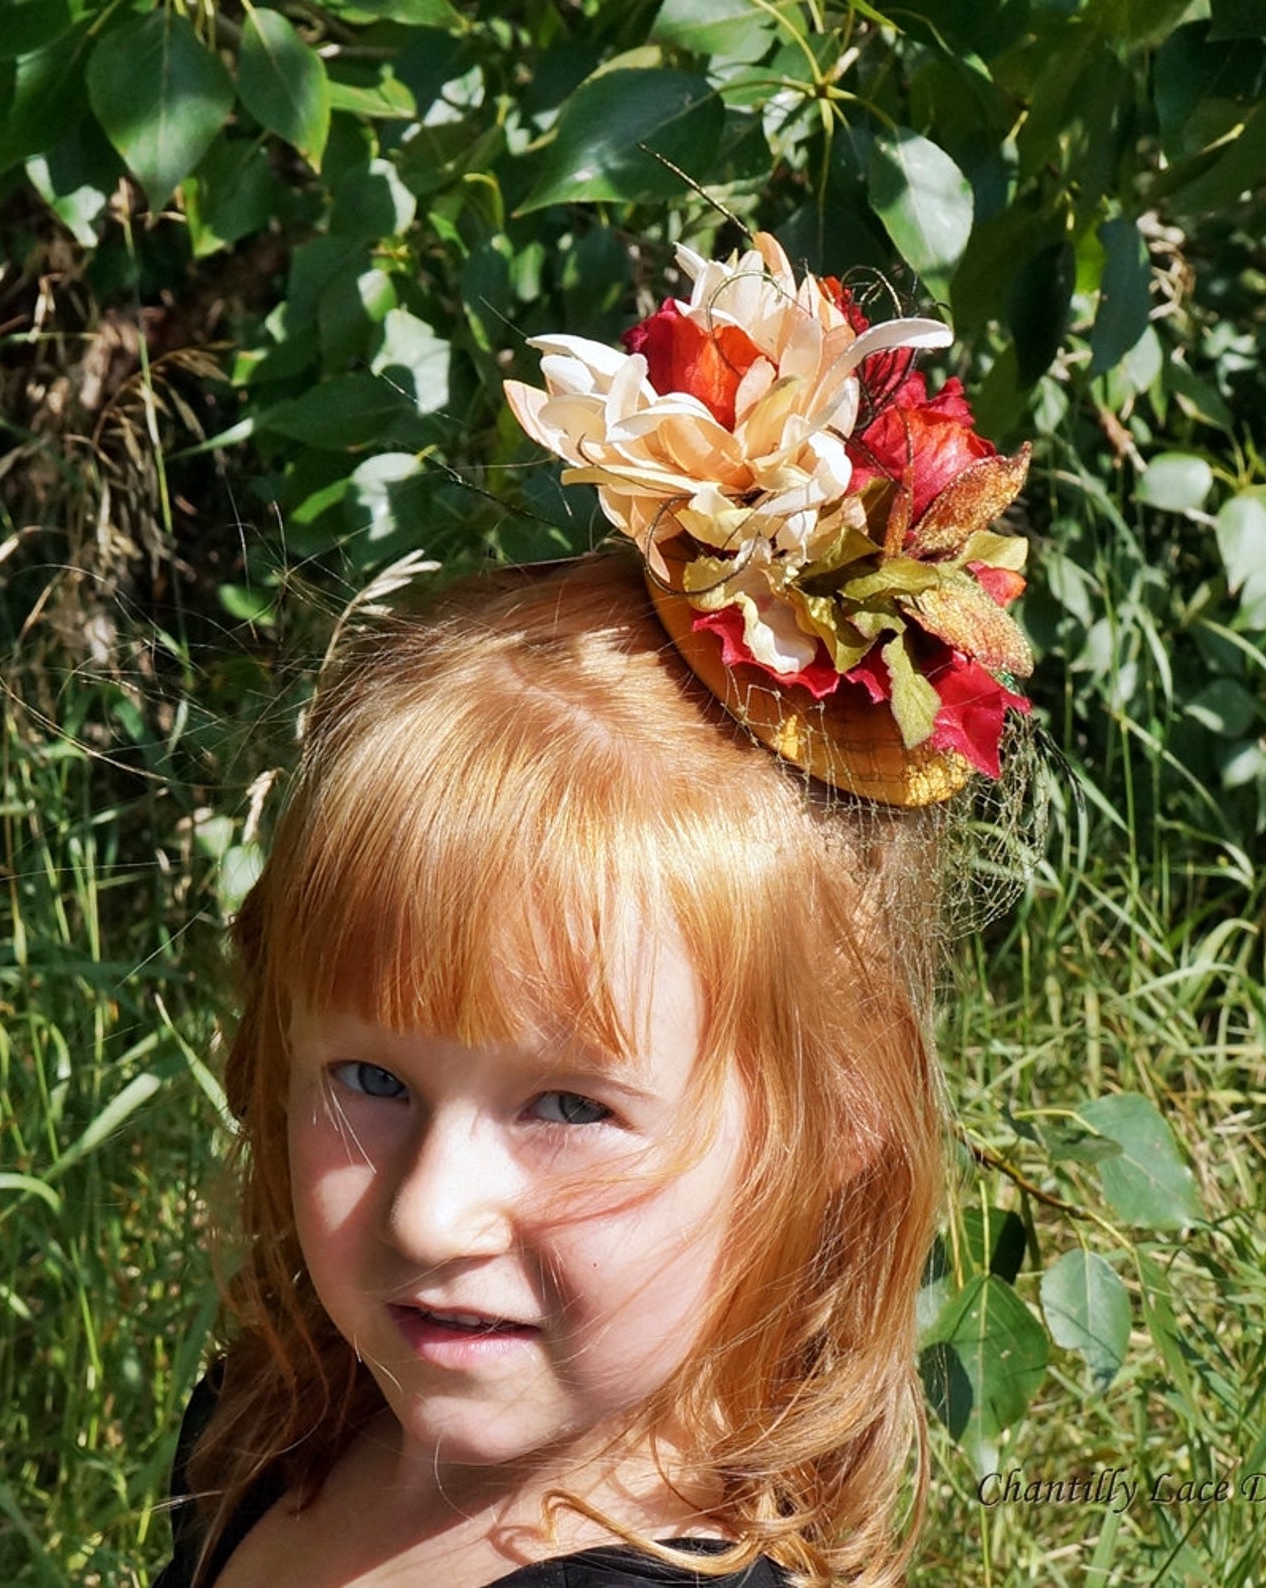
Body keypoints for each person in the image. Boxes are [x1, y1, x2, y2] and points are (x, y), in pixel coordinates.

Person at [154, 231, 1037, 1588]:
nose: (431, 1214)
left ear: (838, 1117)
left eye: (568, 1107)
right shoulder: (286, 1426)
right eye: (372, 1079)